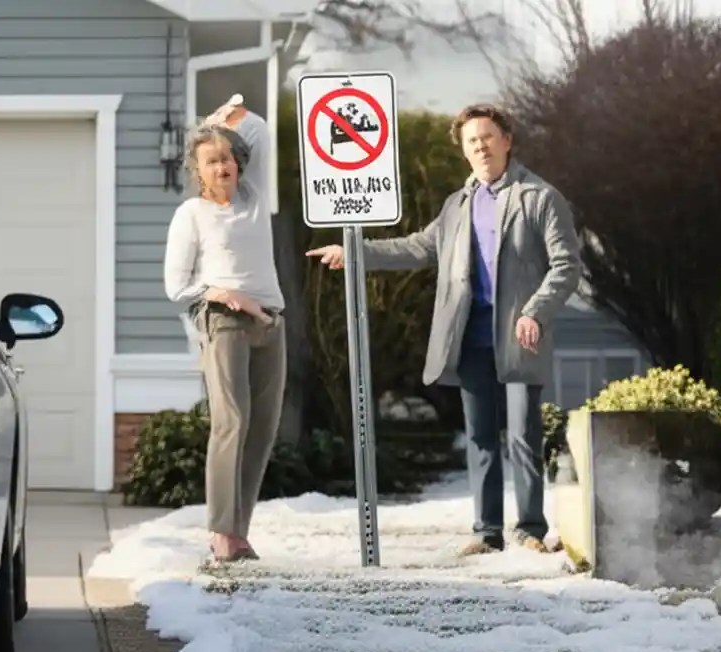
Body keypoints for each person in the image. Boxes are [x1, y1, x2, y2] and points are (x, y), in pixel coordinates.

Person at [307, 103, 582, 556]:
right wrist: (353, 250)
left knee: (521, 435)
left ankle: (530, 528)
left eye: (488, 137)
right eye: (472, 141)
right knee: (478, 436)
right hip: (469, 336)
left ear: (507, 141)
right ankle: (487, 532)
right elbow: (417, 247)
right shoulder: (459, 204)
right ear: (465, 151)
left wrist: (535, 310)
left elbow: (567, 266)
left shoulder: (540, 197)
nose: (480, 146)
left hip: (518, 337)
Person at [163, 95, 286, 562]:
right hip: (225, 321)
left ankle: (239, 531)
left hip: (271, 319)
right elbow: (176, 285)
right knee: (231, 421)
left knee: (262, 428)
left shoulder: (255, 200)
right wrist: (223, 294)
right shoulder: (191, 215)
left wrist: (223, 118)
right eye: (211, 161)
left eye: (228, 158)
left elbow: (259, 131)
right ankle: (220, 531)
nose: (222, 166)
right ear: (200, 171)